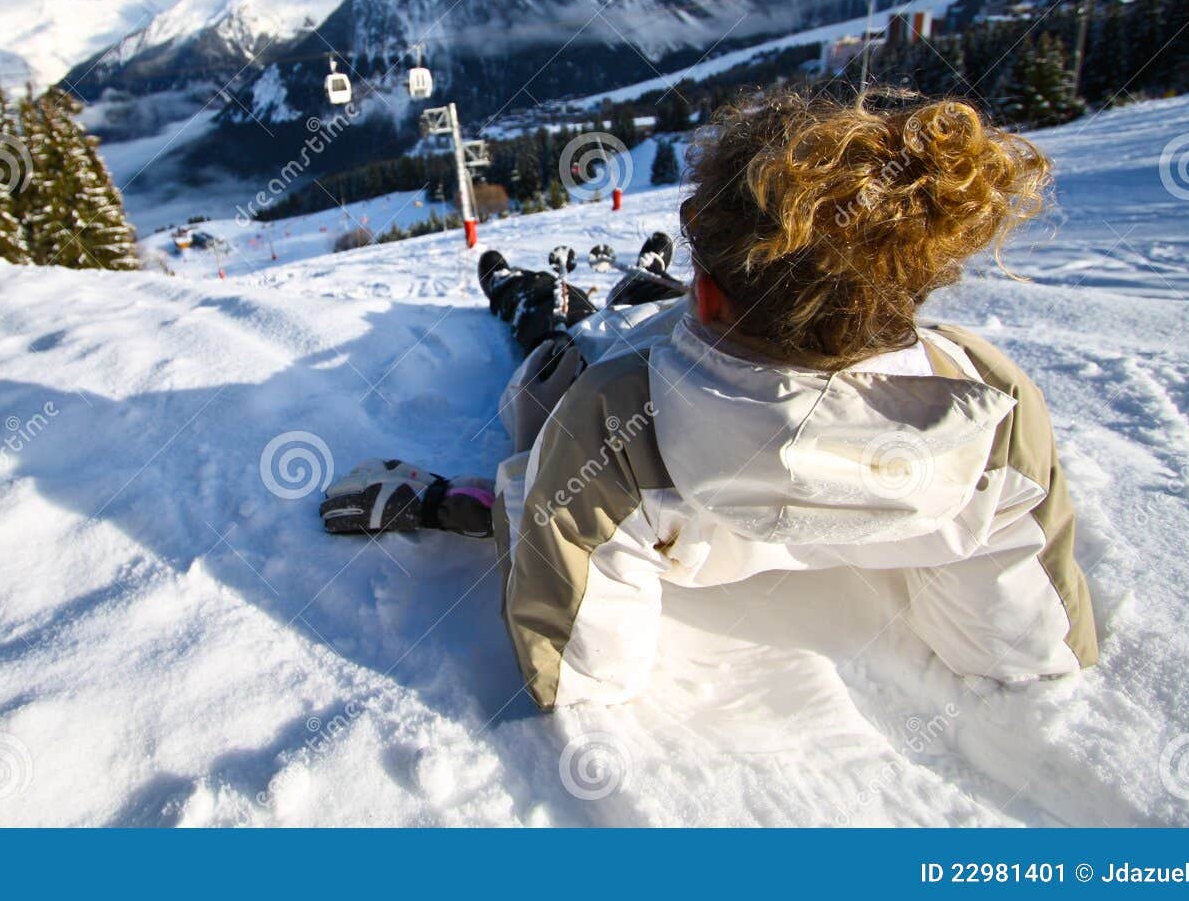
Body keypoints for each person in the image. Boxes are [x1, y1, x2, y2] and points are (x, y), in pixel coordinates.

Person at [321, 87, 1099, 712]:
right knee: (620, 317)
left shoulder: (613, 415)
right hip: (696, 327)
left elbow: (578, 669)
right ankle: (638, 281)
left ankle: (520, 288)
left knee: (550, 345)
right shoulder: (989, 401)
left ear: (711, 293)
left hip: (609, 352)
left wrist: (463, 504)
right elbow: (1034, 642)